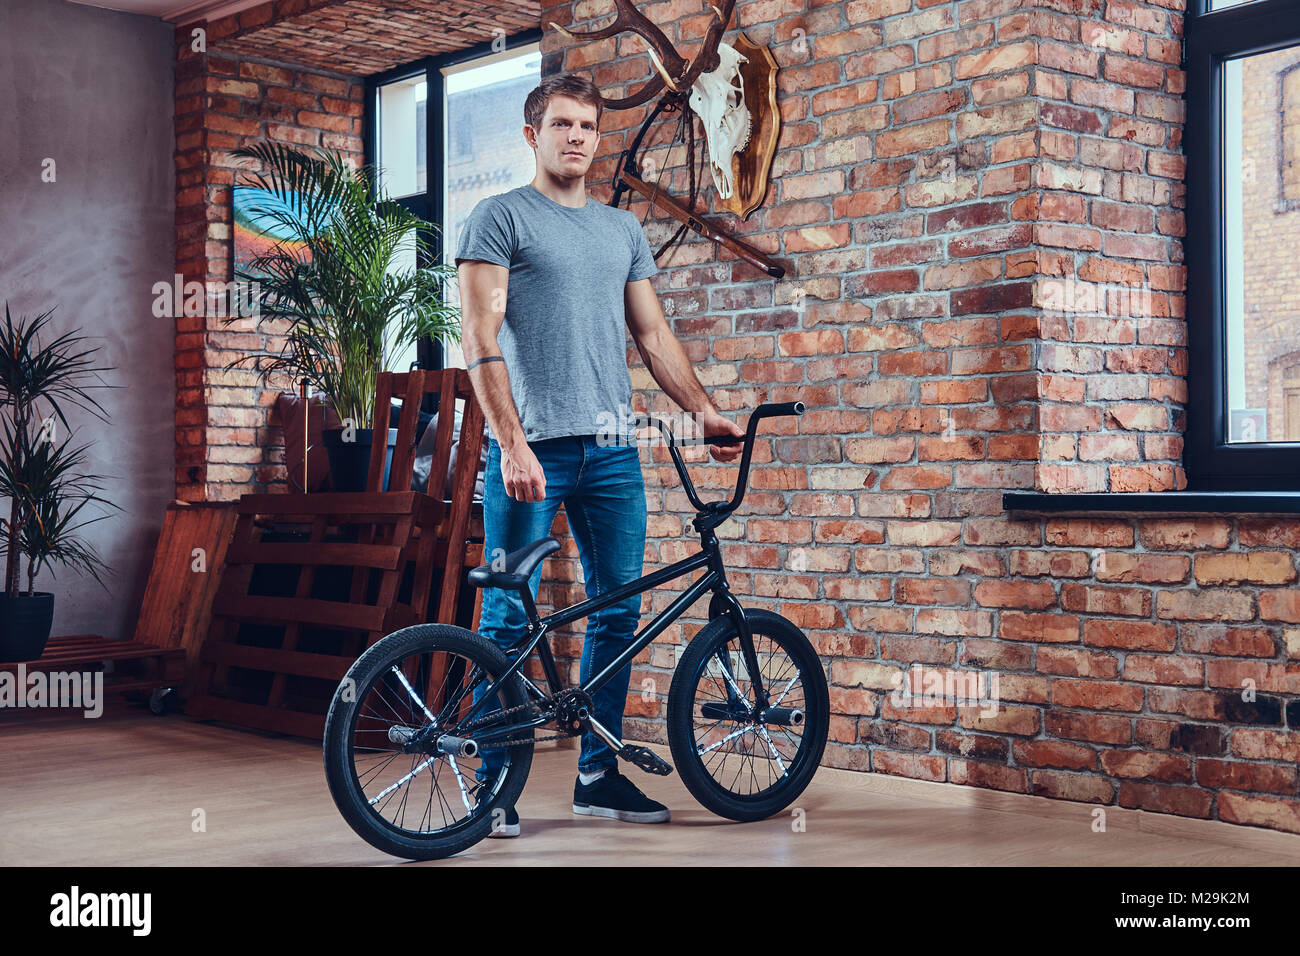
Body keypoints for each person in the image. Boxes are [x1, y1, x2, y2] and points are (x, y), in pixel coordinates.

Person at [454, 73, 745, 838]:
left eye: (587, 125)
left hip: (613, 452)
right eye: (561, 124)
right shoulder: (499, 218)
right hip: (532, 452)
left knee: (619, 609)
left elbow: (653, 338)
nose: (577, 136)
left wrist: (704, 410)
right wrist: (511, 443)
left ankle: (598, 774)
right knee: (507, 615)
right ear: (532, 135)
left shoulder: (621, 231)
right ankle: (493, 782)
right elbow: (479, 340)